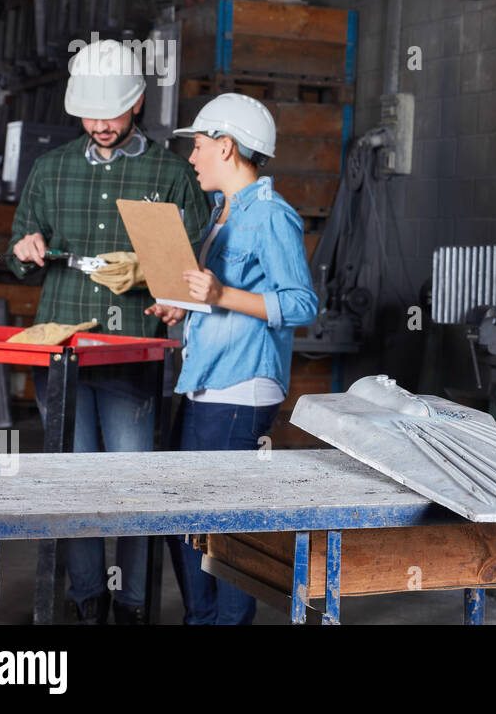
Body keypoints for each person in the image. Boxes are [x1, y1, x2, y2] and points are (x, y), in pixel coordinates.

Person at [8, 38, 211, 624]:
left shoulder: (170, 174)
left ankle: (132, 605)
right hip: (62, 350)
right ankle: (86, 601)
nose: (99, 124)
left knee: (129, 483)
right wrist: (25, 248)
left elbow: (201, 262)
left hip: (130, 349)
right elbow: (20, 254)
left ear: (138, 102)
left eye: (112, 112)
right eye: (90, 114)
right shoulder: (51, 169)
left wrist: (159, 273)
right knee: (74, 480)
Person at [147, 92, 317, 624]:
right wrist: (185, 307)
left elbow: (301, 303)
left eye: (198, 146)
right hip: (204, 384)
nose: (192, 157)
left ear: (226, 147)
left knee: (227, 529)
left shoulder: (271, 215)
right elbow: (215, 293)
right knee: (189, 520)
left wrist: (219, 296)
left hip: (241, 392)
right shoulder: (223, 213)